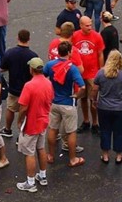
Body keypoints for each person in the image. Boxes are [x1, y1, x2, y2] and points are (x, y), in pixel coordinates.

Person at [44, 41, 86, 169]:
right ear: (69, 52)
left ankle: (50, 155)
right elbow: (83, 86)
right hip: (68, 103)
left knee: (52, 129)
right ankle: (73, 159)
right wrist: (77, 96)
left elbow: (43, 77)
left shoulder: (50, 65)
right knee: (71, 132)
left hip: (54, 102)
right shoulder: (72, 68)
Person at [15, 58, 54, 193]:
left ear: (31, 69)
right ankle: (42, 176)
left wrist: (19, 120)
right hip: (43, 121)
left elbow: (23, 107)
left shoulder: (29, 86)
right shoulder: (48, 83)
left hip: (32, 123)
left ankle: (30, 182)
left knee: (29, 152)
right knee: (41, 148)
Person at [89, 50, 122, 164]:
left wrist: (94, 100)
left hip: (104, 107)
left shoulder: (101, 73)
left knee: (105, 130)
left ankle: (105, 155)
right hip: (121, 108)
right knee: (119, 131)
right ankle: (118, 156)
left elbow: (94, 89)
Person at [0, 29, 38, 137]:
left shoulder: (10, 53)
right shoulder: (33, 55)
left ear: (18, 38)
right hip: (28, 89)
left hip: (14, 88)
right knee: (26, 112)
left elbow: (2, 68)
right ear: (29, 39)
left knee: (10, 109)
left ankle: (7, 129)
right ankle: (22, 133)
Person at [70, 16, 104, 133]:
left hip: (92, 74)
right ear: (81, 25)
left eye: (90, 24)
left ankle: (95, 123)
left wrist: (101, 70)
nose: (90, 27)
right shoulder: (74, 36)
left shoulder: (97, 36)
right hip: (79, 74)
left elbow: (100, 54)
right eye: (87, 25)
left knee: (93, 99)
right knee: (83, 99)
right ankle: (86, 120)